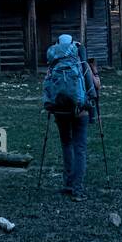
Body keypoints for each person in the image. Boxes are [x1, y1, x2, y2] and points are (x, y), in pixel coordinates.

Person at [46, 34, 98, 200]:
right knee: (80, 148)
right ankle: (77, 189)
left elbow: (47, 84)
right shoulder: (79, 59)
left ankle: (68, 184)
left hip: (60, 110)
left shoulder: (54, 61)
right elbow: (94, 86)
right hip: (79, 110)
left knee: (66, 145)